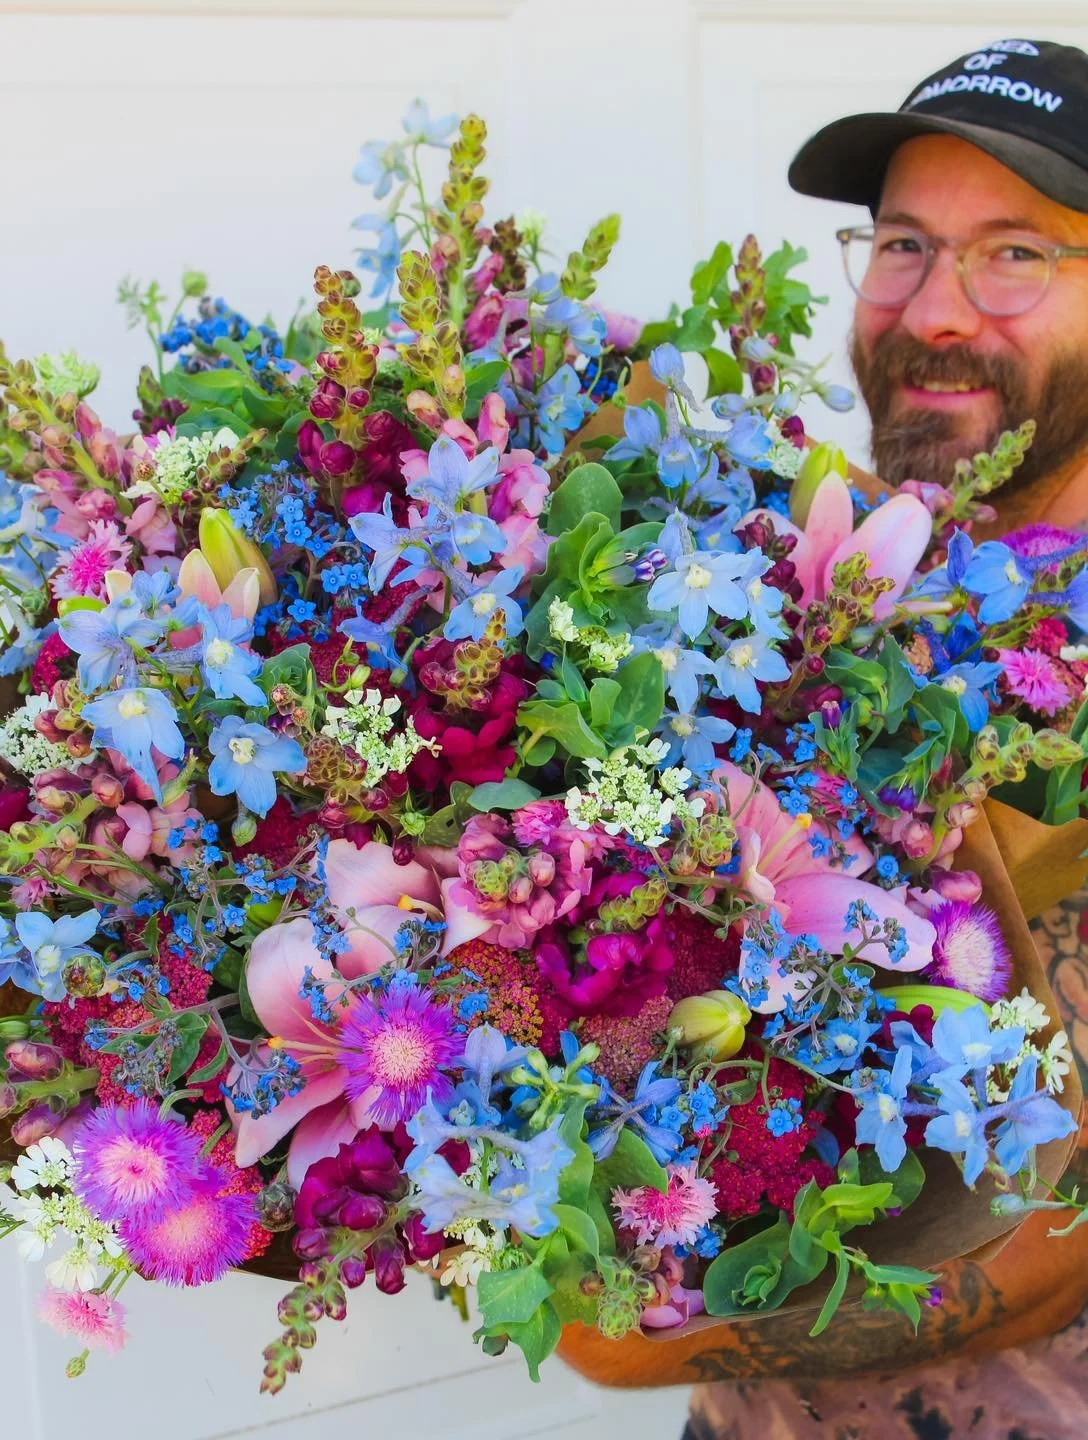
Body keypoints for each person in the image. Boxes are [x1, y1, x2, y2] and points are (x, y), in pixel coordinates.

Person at [670, 38, 1088, 1438]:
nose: (938, 312)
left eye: (1016, 254)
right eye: (905, 244)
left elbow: (1047, 1242)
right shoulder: (786, 589)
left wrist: (628, 1351)